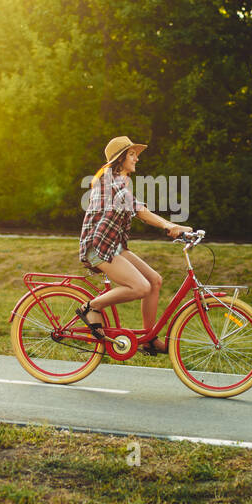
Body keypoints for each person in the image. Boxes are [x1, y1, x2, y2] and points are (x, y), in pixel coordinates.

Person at [76, 136, 192, 354]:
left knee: (154, 281)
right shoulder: (111, 180)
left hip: (113, 246)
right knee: (140, 287)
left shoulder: (122, 181)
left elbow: (135, 208)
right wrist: (170, 225)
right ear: (120, 159)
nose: (137, 158)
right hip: (98, 248)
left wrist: (171, 225)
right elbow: (139, 210)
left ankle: (148, 338)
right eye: (132, 154)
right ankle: (91, 307)